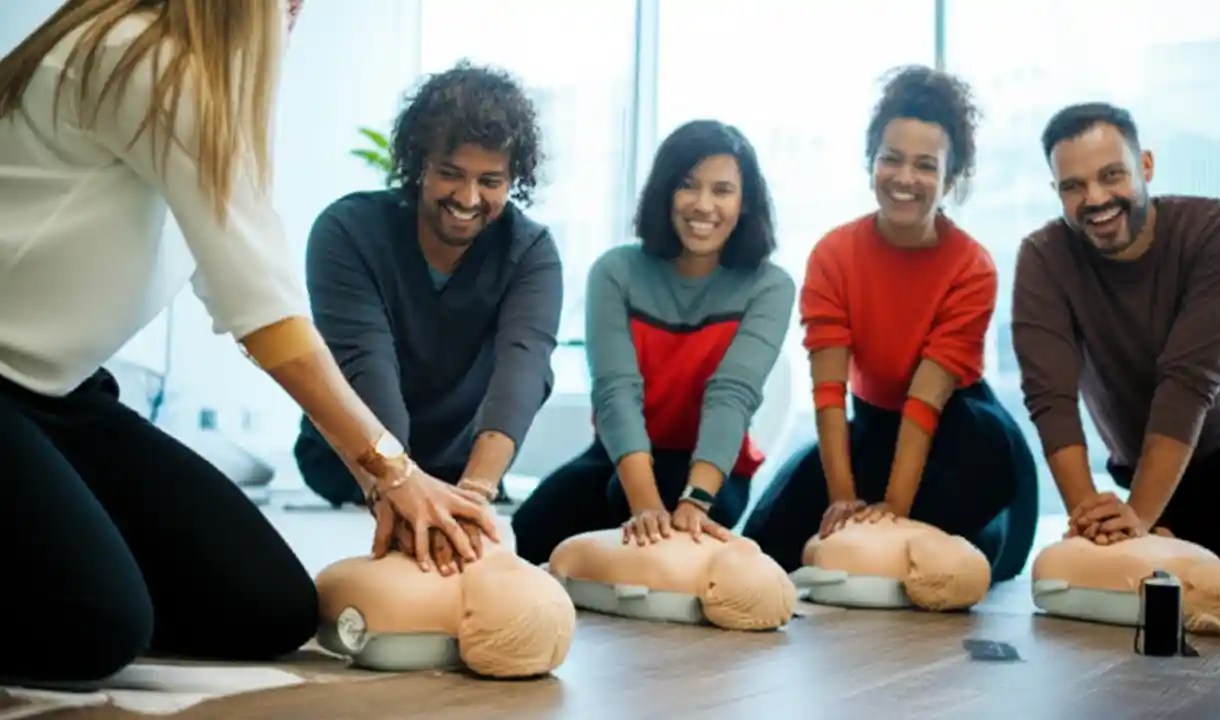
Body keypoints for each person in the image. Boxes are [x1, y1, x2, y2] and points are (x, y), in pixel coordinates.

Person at [0, 0, 495, 686]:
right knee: (94, 626)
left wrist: (381, 478)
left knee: (267, 608)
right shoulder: (144, 59)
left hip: (63, 396)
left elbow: (238, 274)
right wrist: (391, 472)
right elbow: (261, 308)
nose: (297, 12)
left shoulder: (193, 79)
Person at [742, 66, 1039, 582]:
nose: (905, 178)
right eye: (891, 159)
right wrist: (841, 499)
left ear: (951, 178)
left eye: (926, 166)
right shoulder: (835, 253)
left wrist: (893, 517)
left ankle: (965, 542)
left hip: (961, 431)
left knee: (960, 487)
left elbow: (925, 402)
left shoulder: (972, 265)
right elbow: (830, 392)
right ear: (871, 163)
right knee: (765, 541)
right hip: (873, 425)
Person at [293, 61, 563, 575]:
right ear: (420, 164)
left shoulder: (530, 252)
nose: (466, 198)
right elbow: (365, 366)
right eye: (450, 174)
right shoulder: (348, 233)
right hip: (353, 465)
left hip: (465, 468)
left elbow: (522, 373)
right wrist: (395, 487)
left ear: (514, 180)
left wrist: (477, 495)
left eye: (490, 181)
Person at [1012, 102, 1220, 580]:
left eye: (1112, 175)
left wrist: (1138, 515)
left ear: (1146, 166)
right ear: (1057, 192)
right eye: (1073, 186)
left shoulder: (1219, 230)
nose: (1095, 198)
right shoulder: (1043, 257)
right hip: (1144, 477)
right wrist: (1094, 524)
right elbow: (1050, 399)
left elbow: (1188, 383)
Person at [511, 119, 795, 566]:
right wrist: (644, 504)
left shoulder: (769, 286)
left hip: (711, 469)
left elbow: (732, 395)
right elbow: (615, 392)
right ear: (665, 193)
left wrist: (695, 501)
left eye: (722, 190)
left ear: (745, 203)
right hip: (618, 454)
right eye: (687, 186)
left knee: (645, 518)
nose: (703, 205)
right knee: (528, 533)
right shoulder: (615, 272)